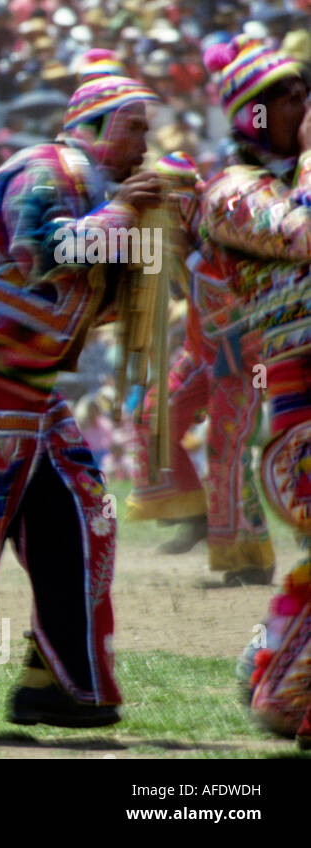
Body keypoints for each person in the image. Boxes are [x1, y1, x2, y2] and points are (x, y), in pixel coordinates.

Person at [0, 74, 166, 735]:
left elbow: (85, 302)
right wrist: (125, 216)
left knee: (87, 525)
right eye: (133, 126)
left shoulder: (93, 191)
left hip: (38, 395)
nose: (144, 141)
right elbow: (42, 249)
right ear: (93, 125)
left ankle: (55, 684)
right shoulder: (44, 166)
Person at [194, 36, 311, 750]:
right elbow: (303, 236)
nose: (306, 103)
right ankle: (279, 685)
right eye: (292, 96)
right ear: (255, 116)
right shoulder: (233, 194)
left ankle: (272, 676)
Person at [124, 151, 275, 583]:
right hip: (200, 351)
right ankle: (194, 514)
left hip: (243, 358)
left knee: (225, 454)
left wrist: (187, 255)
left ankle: (251, 559)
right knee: (151, 417)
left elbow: (231, 294)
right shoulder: (170, 233)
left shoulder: (226, 224)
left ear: (187, 196)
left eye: (166, 202)